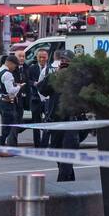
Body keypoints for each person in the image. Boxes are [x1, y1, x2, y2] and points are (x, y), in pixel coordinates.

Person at [41, 49, 78, 182]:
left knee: (66, 157)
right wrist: (54, 76)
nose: (64, 63)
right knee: (58, 154)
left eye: (67, 61)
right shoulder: (55, 76)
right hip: (56, 121)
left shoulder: (77, 77)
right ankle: (70, 183)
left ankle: (62, 185)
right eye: (62, 60)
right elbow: (43, 89)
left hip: (71, 122)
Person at [0, 54, 22, 157]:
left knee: (3, 127)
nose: (15, 68)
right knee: (6, 128)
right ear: (10, 63)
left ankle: (0, 149)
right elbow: (10, 91)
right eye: (15, 66)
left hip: (1, 101)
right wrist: (19, 87)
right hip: (7, 102)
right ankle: (0, 150)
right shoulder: (8, 74)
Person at [25, 48, 52, 147]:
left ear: (47, 57)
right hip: (35, 99)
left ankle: (44, 144)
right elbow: (28, 81)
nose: (42, 59)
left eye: (44, 57)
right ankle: (37, 144)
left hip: (46, 99)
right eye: (40, 57)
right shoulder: (32, 68)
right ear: (37, 57)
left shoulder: (50, 68)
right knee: (36, 123)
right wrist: (34, 84)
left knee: (48, 122)